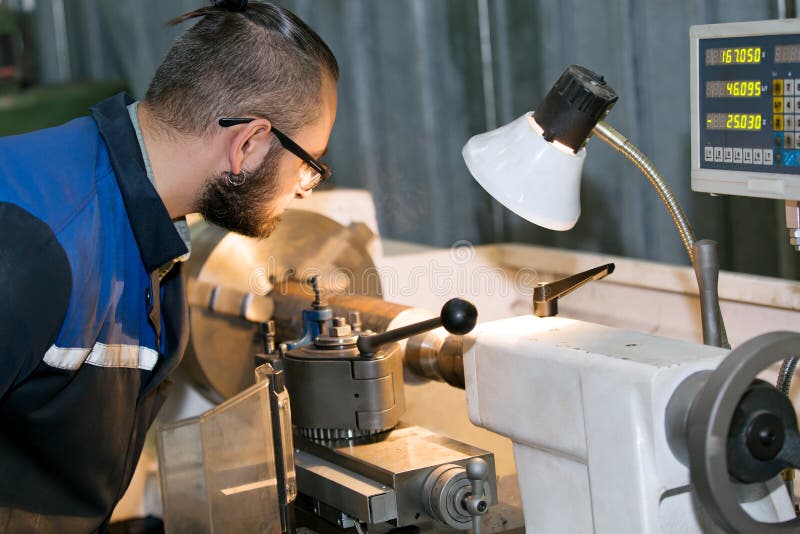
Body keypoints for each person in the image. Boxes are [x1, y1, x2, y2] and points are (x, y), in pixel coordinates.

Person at [0, 0, 338, 531]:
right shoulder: (33, 244)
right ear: (248, 143)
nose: (302, 189)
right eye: (308, 167)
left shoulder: (150, 234)